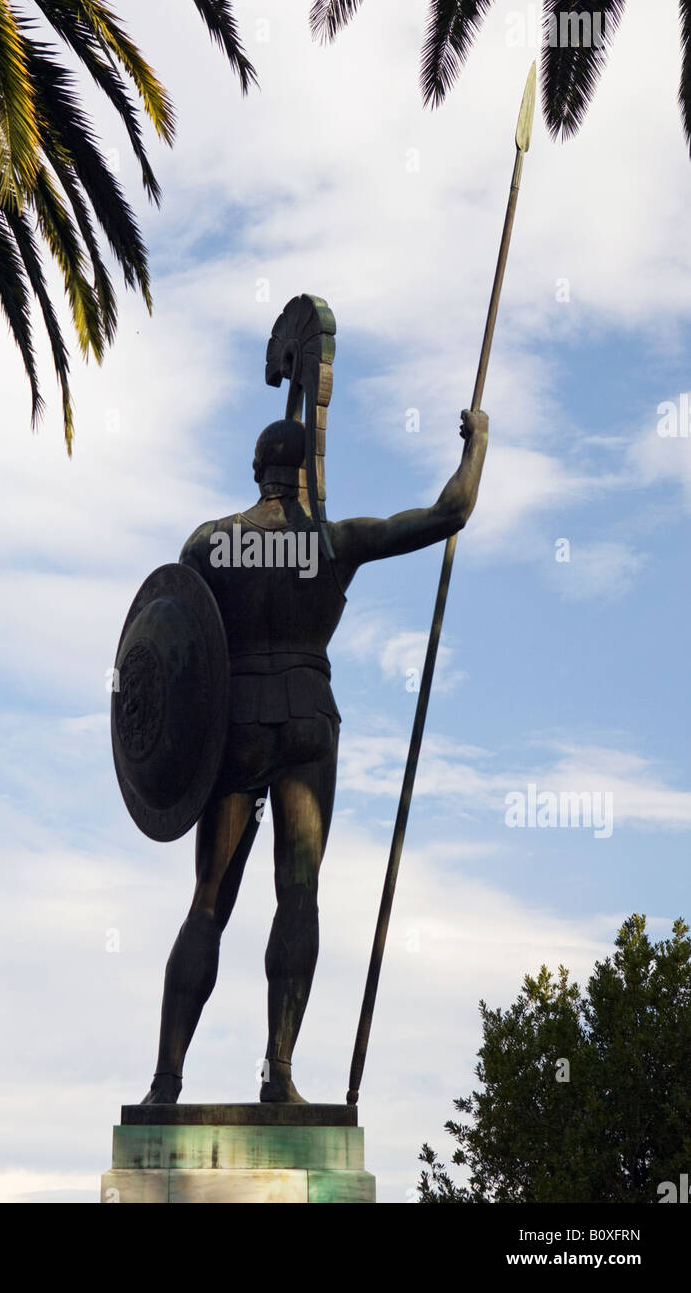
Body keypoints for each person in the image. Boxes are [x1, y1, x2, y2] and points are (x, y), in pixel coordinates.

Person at [141, 407, 488, 1103]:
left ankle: (163, 1084)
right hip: (305, 719)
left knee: (208, 903)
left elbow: (178, 644)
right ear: (304, 473)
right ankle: (280, 1075)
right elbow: (449, 513)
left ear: (254, 470)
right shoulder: (331, 542)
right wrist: (477, 439)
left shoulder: (208, 545)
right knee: (298, 894)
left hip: (232, 726)